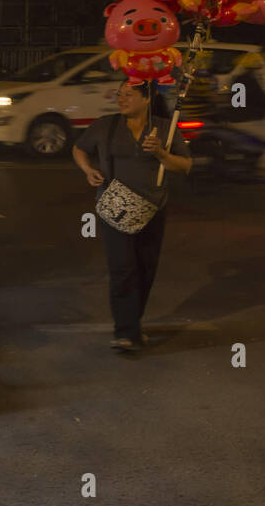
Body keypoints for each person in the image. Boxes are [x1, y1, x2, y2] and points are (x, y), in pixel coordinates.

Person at [72, 80, 192, 352]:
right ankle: (125, 332)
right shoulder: (106, 125)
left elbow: (185, 166)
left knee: (145, 268)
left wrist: (161, 153)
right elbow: (79, 148)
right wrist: (87, 170)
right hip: (115, 208)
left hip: (153, 208)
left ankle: (132, 325)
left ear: (147, 99)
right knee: (123, 268)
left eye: (129, 94)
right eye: (119, 94)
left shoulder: (164, 128)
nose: (122, 99)